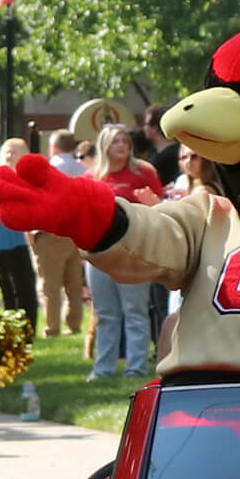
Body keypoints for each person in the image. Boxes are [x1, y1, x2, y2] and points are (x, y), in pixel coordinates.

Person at [83, 123, 159, 379]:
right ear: (104, 145)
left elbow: (158, 209)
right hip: (98, 253)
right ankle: (102, 369)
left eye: (125, 140)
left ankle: (135, 368)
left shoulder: (144, 172)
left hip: (133, 252)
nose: (122, 145)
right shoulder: (90, 178)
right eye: (116, 141)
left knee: (135, 312)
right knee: (105, 314)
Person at [34, 130, 87, 338]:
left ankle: (52, 326)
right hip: (76, 231)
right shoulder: (83, 168)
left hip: (51, 231)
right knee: (74, 283)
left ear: (53, 147)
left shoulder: (48, 169)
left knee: (50, 284)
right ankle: (74, 324)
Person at [0, 140, 39, 331]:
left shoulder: (28, 178)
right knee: (4, 279)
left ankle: (28, 323)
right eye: (7, 152)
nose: (9, 156)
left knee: (23, 280)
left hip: (19, 233)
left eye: (14, 152)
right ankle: (10, 320)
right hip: (0, 235)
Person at [141, 104, 180, 183]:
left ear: (155, 128)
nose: (144, 128)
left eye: (146, 124)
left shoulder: (176, 153)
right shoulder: (153, 150)